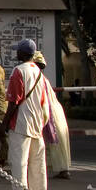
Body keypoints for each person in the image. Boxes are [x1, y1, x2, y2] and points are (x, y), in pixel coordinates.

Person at [3, 39, 54, 190]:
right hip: (37, 120)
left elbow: (13, 100)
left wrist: (4, 123)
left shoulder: (19, 71)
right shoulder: (39, 72)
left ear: (23, 53)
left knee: (19, 159)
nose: (16, 53)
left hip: (21, 121)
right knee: (38, 160)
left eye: (18, 51)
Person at [33, 51, 72, 179]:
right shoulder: (41, 78)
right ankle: (61, 168)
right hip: (52, 110)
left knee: (56, 142)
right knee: (57, 142)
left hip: (50, 111)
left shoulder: (37, 78)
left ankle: (62, 169)